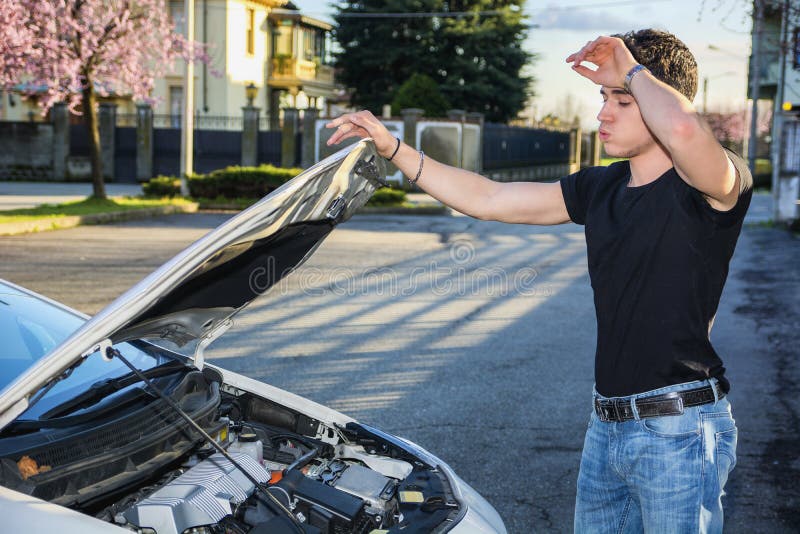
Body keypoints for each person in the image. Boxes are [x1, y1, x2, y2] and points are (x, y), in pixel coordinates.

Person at [326, 29, 751, 533]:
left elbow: (682, 132)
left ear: (662, 98)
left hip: (678, 429)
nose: (603, 114)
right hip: (607, 427)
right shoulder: (601, 187)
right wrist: (393, 148)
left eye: (622, 101)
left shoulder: (714, 184)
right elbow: (488, 199)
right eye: (603, 98)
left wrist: (631, 70)